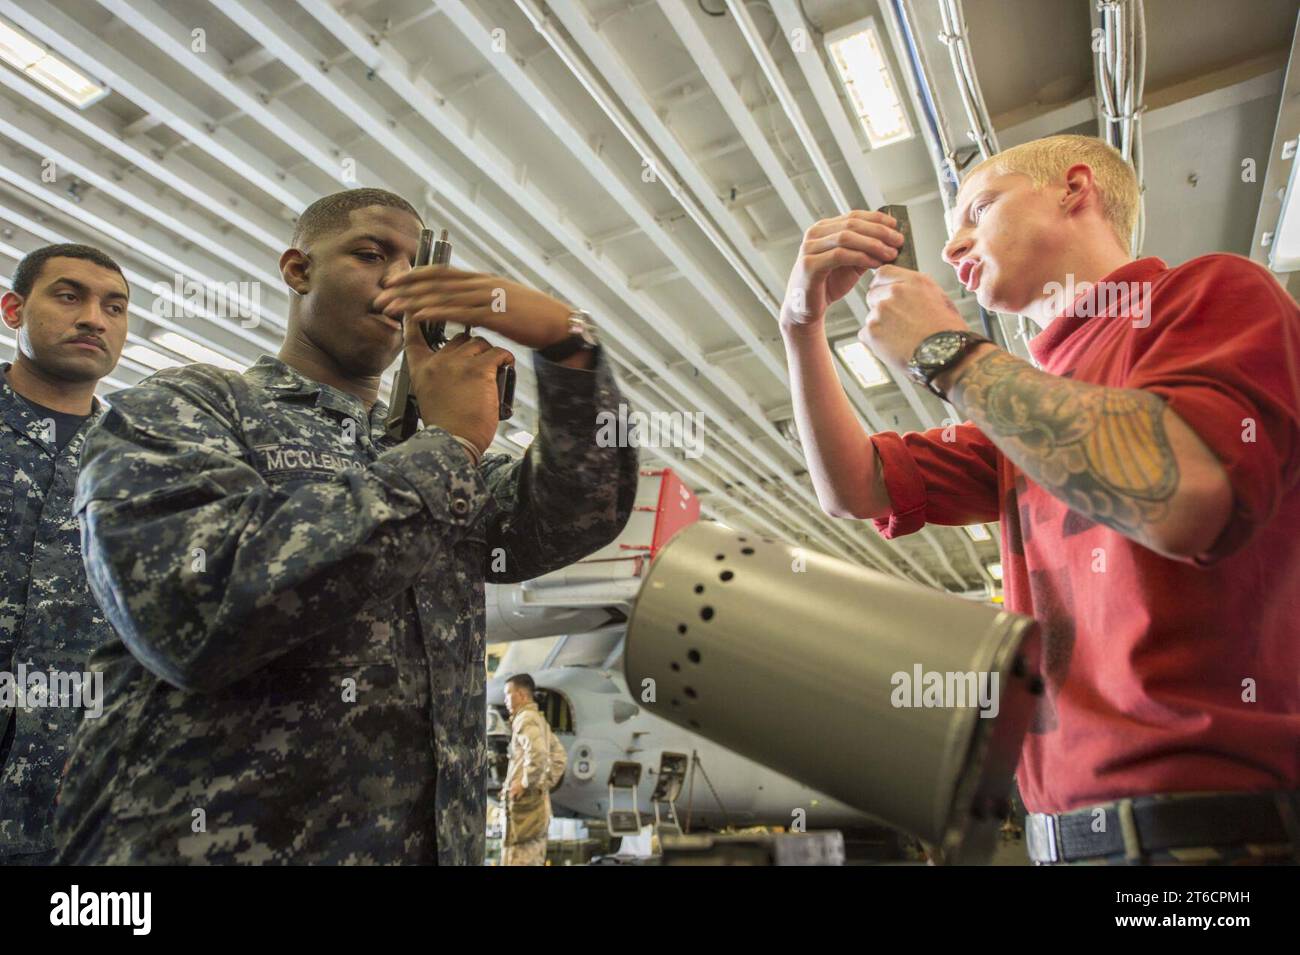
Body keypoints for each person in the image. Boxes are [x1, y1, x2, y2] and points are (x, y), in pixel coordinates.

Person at [55, 188, 637, 864]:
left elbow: (578, 511)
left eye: (416, 265)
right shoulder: (187, 407)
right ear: (298, 270)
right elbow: (195, 615)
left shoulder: (421, 457)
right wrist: (448, 444)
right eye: (371, 254)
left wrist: (571, 352)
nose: (401, 281)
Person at [780, 134, 1299, 865]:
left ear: (1074, 189)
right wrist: (800, 327)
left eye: (979, 208)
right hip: (1063, 839)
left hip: (1212, 834)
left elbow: (1188, 492)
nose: (955, 242)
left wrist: (945, 352)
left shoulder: (1212, 292)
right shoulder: (1019, 411)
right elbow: (853, 484)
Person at [0, 244, 128, 865]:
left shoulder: (145, 467)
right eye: (69, 296)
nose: (95, 319)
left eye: (114, 307)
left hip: (80, 807)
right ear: (13, 310)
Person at [500, 673, 566, 866]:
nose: (505, 700)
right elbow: (559, 757)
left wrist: (525, 784)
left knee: (516, 858)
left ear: (521, 695)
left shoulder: (524, 719)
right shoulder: (539, 720)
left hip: (523, 813)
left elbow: (537, 753)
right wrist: (541, 786)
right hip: (536, 810)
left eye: (508, 694)